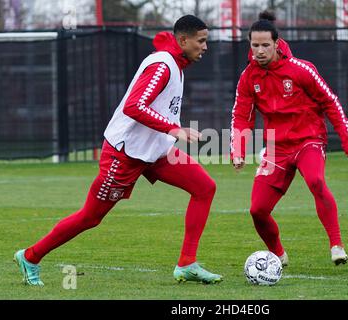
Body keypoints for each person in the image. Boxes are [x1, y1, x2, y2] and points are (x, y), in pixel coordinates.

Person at [14, 15, 222, 286]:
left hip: (156, 151)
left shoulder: (175, 63)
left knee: (205, 188)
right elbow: (133, 106)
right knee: (91, 217)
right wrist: (172, 129)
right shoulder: (163, 65)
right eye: (201, 40)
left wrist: (168, 133)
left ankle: (186, 264)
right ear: (183, 40)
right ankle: (30, 256)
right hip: (125, 155)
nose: (205, 46)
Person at [230, 11, 348, 267]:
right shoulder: (248, 78)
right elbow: (241, 116)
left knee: (316, 180)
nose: (260, 50)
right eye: (255, 45)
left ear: (276, 44)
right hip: (276, 148)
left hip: (308, 139)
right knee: (257, 210)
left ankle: (336, 245)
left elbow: (329, 101)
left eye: (265, 45)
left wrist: (347, 137)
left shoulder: (301, 70)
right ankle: (278, 255)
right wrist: (238, 149)